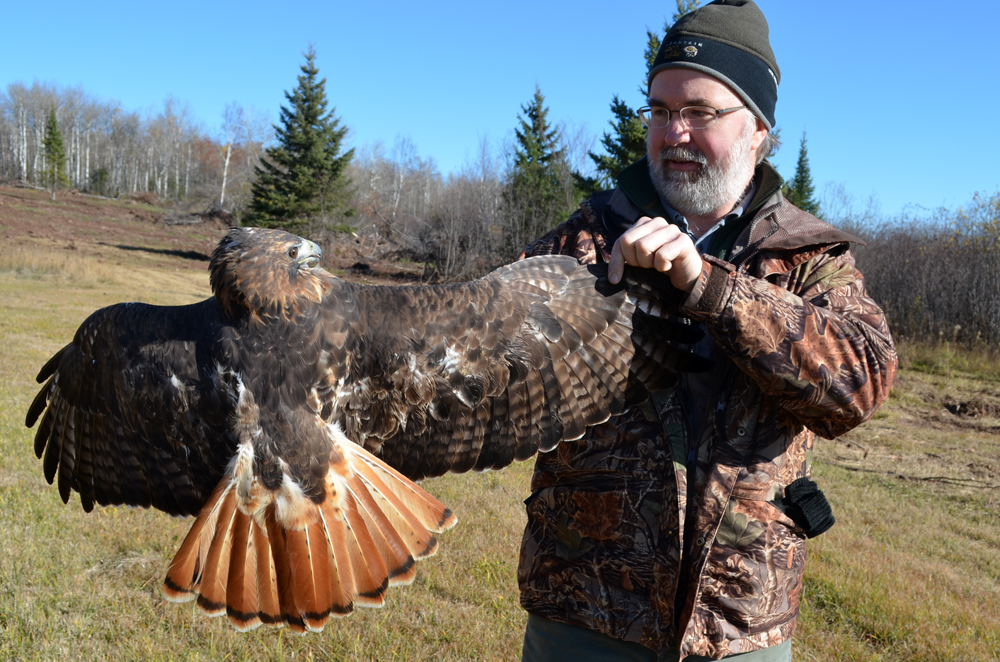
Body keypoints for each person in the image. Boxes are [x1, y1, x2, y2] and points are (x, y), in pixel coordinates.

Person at [516, 1, 897, 660]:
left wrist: (709, 289)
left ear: (758, 129)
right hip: (583, 615)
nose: (675, 132)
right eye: (660, 111)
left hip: (739, 626)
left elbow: (858, 383)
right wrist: (599, 295)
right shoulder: (581, 241)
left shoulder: (810, 257)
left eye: (700, 111)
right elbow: (487, 377)